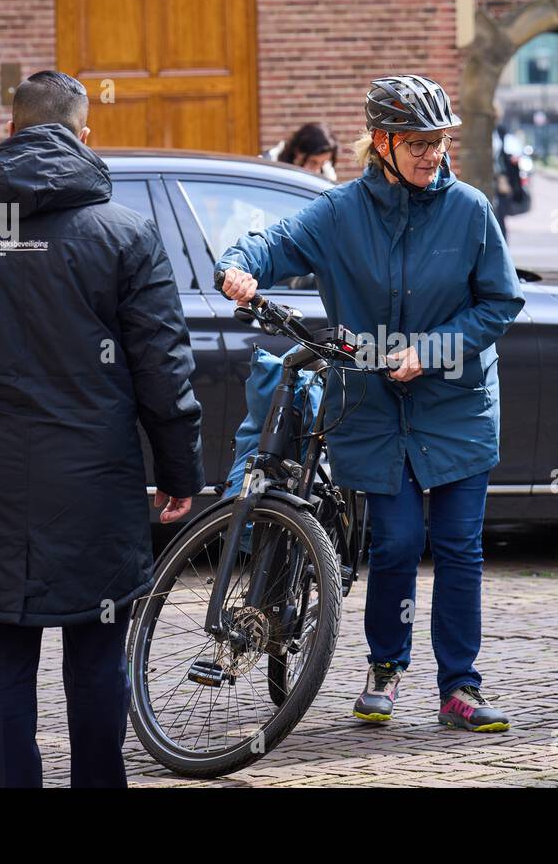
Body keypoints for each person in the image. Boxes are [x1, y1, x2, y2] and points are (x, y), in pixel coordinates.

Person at [0, 70, 204, 787]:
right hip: (95, 482)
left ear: (9, 132)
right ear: (84, 135)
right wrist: (181, 471)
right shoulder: (125, 233)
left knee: (3, 653)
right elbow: (162, 368)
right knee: (95, 652)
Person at [218, 74, 524, 732]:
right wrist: (238, 266)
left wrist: (435, 349)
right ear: (380, 142)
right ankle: (384, 667)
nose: (430, 155)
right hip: (374, 407)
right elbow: (269, 245)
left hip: (458, 404)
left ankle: (459, 688)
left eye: (439, 143)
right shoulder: (340, 212)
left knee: (459, 545)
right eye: (416, 143)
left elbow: (501, 304)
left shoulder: (470, 211)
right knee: (395, 542)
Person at [266, 122, 339, 182]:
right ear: (297, 152)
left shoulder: (326, 172)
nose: (317, 171)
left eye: (323, 163)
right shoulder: (270, 168)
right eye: (313, 162)